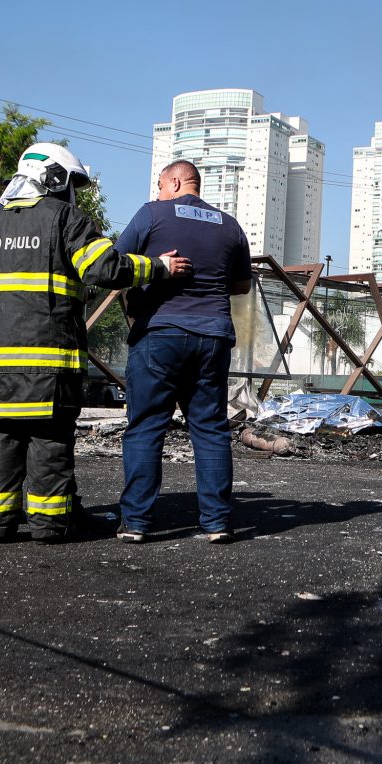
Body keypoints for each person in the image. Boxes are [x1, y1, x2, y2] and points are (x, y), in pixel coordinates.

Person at [0, 143, 186, 544]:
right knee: (48, 442)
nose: (73, 190)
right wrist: (158, 266)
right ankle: (49, 524)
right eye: (72, 182)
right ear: (55, 179)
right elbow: (105, 267)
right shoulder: (65, 218)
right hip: (46, 364)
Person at [115, 160, 252, 544]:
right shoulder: (229, 224)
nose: (157, 193)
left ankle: (137, 523)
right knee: (210, 430)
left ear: (175, 181)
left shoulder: (152, 214)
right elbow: (241, 286)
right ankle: (216, 523)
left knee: (146, 427)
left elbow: (115, 264)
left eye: (160, 185)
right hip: (213, 337)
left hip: (160, 334)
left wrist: (154, 270)